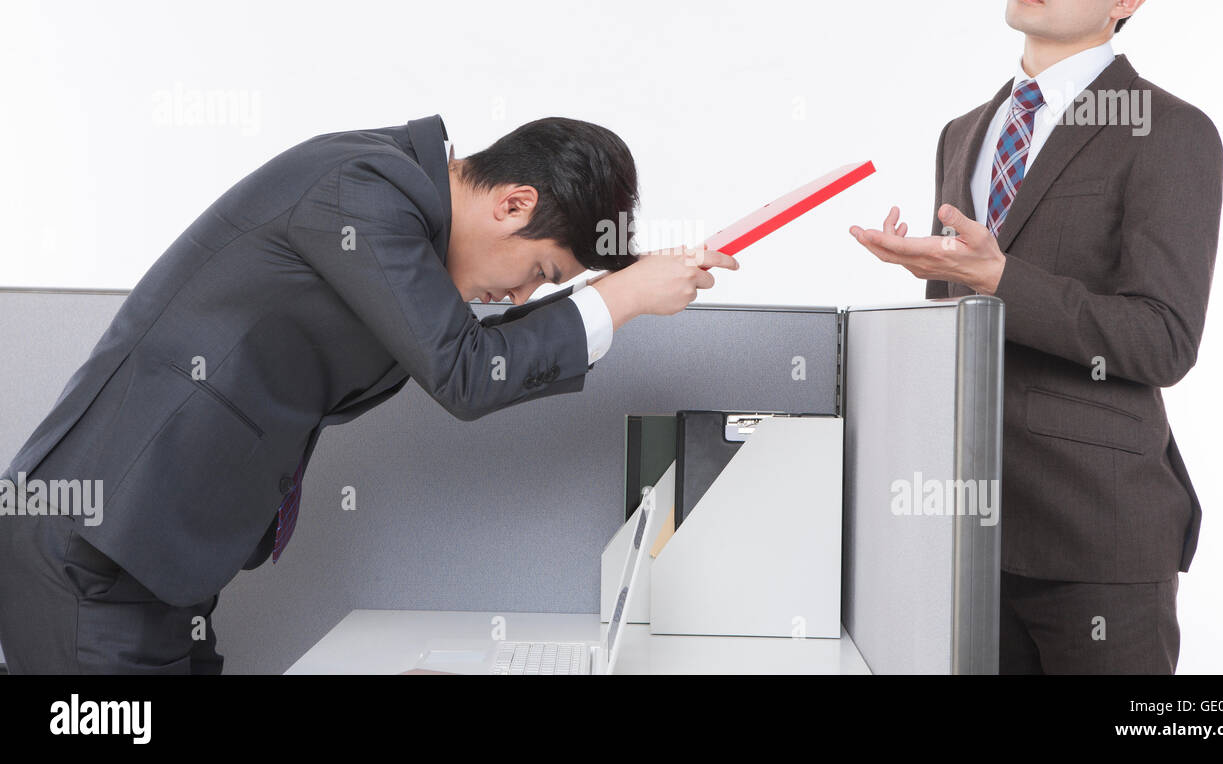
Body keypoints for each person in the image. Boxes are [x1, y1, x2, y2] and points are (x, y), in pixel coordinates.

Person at [0, 113, 737, 673]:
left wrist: (619, 288)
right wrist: (624, 302)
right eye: (541, 272)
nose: (519, 295)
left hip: (157, 563)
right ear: (514, 205)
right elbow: (467, 370)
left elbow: (467, 345)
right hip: (96, 554)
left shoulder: (395, 216)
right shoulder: (363, 191)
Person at [851, 0, 1222, 673]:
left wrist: (1000, 279)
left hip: (1099, 537)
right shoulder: (963, 133)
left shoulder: (1170, 132)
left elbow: (1163, 338)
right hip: (965, 534)